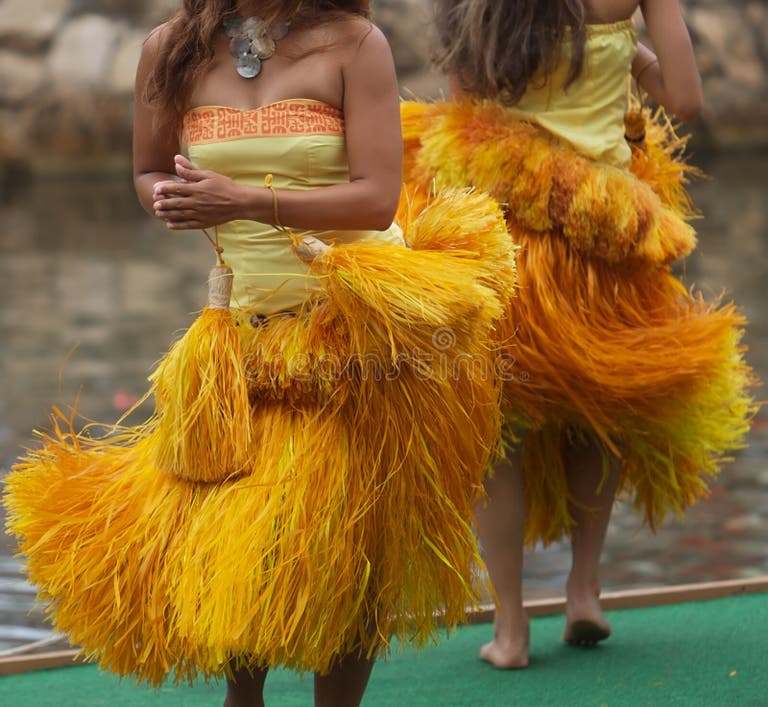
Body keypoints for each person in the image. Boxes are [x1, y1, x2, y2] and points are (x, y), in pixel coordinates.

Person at [4, 1, 516, 705]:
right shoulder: (170, 48)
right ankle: (243, 699)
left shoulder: (354, 43)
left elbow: (375, 198)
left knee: (350, 539)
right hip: (242, 328)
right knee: (235, 528)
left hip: (359, 326)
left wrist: (241, 200)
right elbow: (149, 169)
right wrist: (172, 200)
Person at [399, 0, 758, 669]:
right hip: (604, 236)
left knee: (499, 430)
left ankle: (510, 629)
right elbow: (686, 99)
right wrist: (626, 50)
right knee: (597, 406)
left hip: (505, 235)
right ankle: (584, 587)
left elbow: (463, 116)